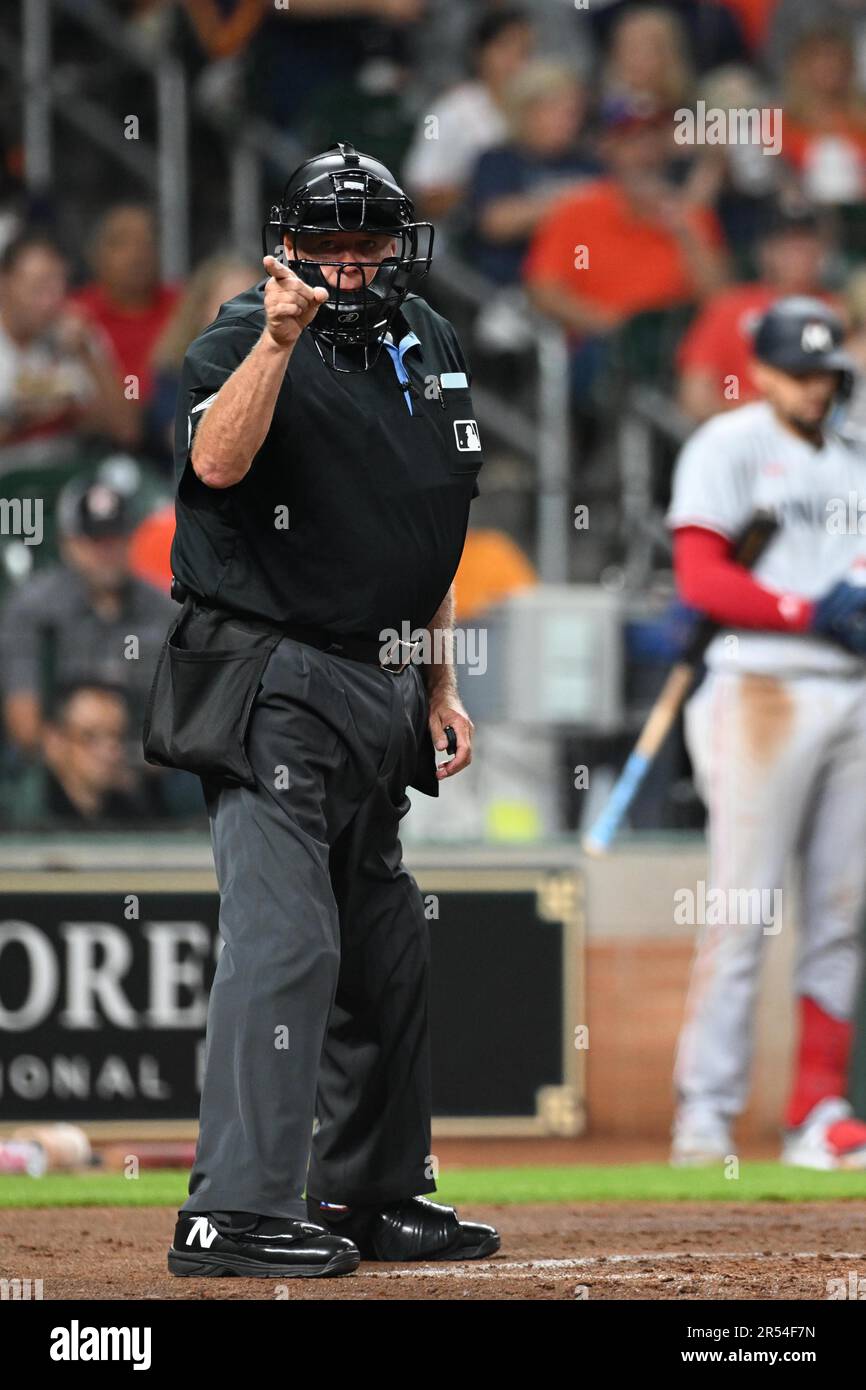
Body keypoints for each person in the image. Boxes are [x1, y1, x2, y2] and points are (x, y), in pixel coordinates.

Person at [161, 142, 497, 1278]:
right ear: (288, 247)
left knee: (384, 951)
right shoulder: (240, 332)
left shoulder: (429, 341)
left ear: (398, 246)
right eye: (328, 245)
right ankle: (231, 1210)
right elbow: (214, 461)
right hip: (271, 672)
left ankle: (370, 1193)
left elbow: (430, 525)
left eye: (368, 243)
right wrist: (275, 338)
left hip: (381, 676)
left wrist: (439, 679)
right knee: (289, 938)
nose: (348, 265)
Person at [667, 296, 866, 1169]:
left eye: (824, 373)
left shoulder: (858, 452)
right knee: (742, 909)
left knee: (839, 913)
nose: (813, 388)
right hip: (759, 686)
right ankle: (704, 1117)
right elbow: (700, 578)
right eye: (797, 370)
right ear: (764, 368)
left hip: (852, 690)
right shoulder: (729, 442)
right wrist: (804, 609)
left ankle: (816, 1110)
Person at [523, 98, 727, 399]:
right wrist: (614, 325)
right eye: (631, 141)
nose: (644, 153)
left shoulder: (692, 216)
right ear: (609, 149)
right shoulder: (578, 210)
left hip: (681, 349)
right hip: (605, 345)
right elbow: (543, 291)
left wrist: (686, 234)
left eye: (651, 139)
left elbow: (722, 301)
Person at [0, 476, 174, 757]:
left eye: (115, 538)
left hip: (143, 763)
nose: (107, 552)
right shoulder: (32, 608)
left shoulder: (163, 609)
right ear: (69, 544)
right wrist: (89, 760)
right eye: (95, 540)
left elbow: (178, 720)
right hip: (60, 766)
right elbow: (25, 728)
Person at [677, 202, 835, 422]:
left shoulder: (839, 312)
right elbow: (696, 397)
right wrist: (739, 403)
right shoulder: (730, 309)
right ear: (766, 251)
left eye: (806, 242)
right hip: (744, 434)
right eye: (787, 243)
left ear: (823, 251)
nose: (798, 253)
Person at [468, 61, 601, 286]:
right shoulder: (498, 160)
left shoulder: (589, 164)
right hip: (510, 284)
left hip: (580, 281)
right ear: (527, 112)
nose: (569, 123)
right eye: (558, 112)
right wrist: (571, 204)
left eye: (574, 113)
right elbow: (496, 222)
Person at [0, 231, 133, 453]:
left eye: (58, 287)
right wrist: (22, 417)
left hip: (71, 470)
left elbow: (127, 429)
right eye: (38, 288)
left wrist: (86, 355)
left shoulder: (79, 333)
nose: (50, 301)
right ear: (4, 284)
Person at [402, 7, 534, 222]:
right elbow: (424, 194)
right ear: (479, 53)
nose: (515, 61)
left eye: (525, 52)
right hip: (462, 230)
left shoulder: (540, 111)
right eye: (504, 47)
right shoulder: (452, 110)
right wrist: (482, 193)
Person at [72, 205, 181, 409]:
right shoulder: (77, 314)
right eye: (121, 243)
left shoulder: (182, 308)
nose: (137, 254)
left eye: (147, 242)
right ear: (96, 255)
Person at [7, 682, 149, 826]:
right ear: (54, 740)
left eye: (119, 736)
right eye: (91, 736)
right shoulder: (19, 814)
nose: (110, 750)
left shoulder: (133, 812)